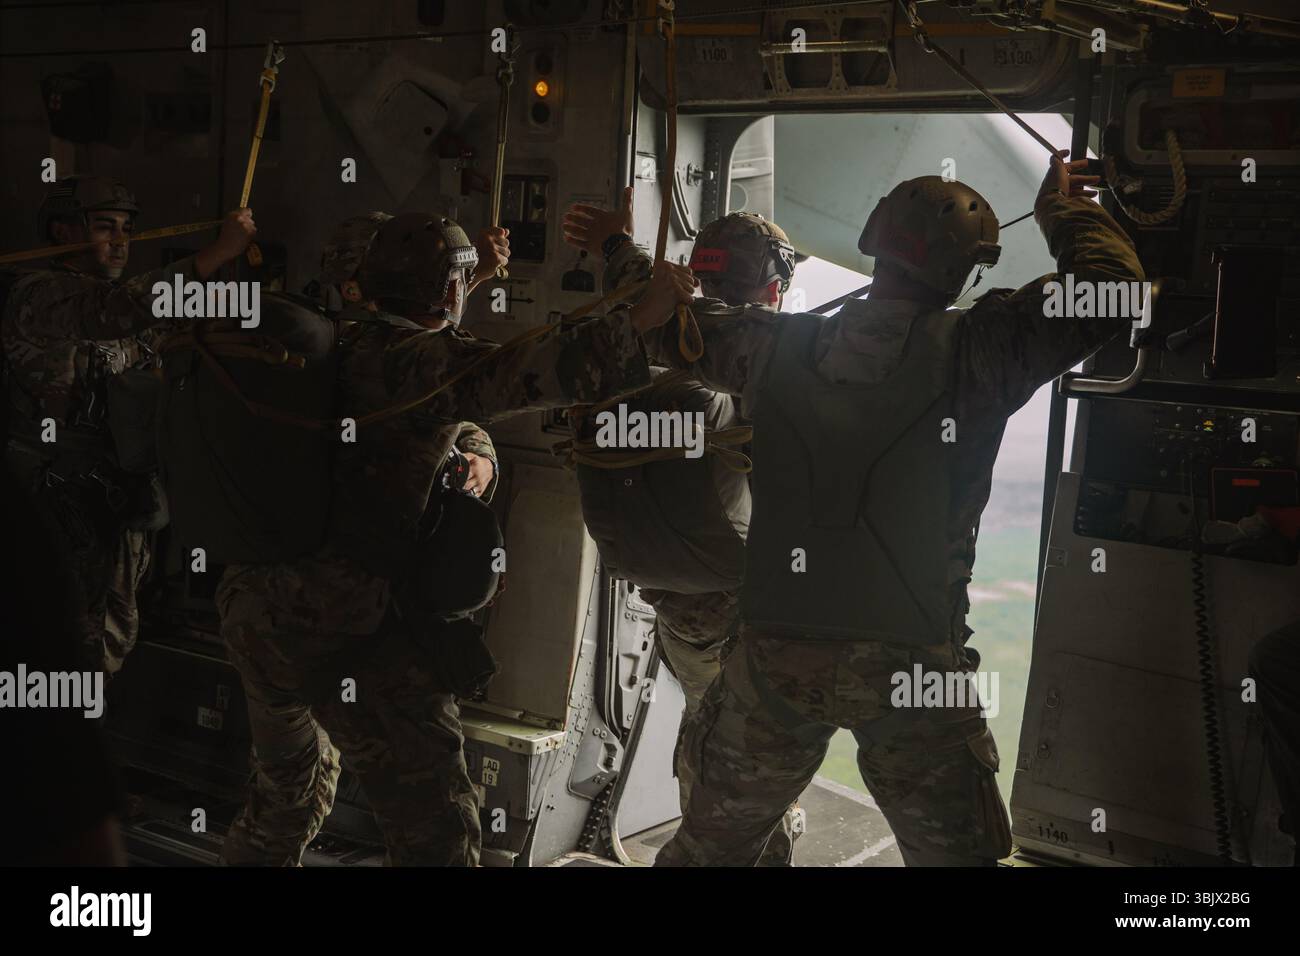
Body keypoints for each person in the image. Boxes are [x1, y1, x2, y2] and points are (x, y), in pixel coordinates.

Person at [634, 153, 1143, 865]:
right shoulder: (981, 348)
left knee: (707, 855)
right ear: (965, 272)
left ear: (874, 243)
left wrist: (637, 273)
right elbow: (1116, 292)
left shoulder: (771, 344)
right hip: (912, 663)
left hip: (774, 654)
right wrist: (1064, 209)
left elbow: (666, 327)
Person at [216, 212, 692, 865]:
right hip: (353, 634)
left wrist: (470, 287)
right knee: (435, 836)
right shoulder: (421, 362)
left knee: (285, 801)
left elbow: (441, 388)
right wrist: (644, 307)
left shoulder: (328, 341)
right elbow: (548, 362)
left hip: (256, 617)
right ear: (447, 294)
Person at [563, 192, 805, 862]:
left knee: (709, 735)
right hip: (748, 608)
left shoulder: (641, 330)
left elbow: (647, 285)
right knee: (752, 765)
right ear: (772, 287)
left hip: (678, 607)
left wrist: (616, 244)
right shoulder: (766, 364)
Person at [1, 174, 256, 676]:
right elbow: (121, 309)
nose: (120, 241)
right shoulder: (43, 297)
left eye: (126, 228)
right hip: (54, 499)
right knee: (56, 641)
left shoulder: (121, 304)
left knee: (106, 638)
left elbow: (170, 324)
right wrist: (216, 254)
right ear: (61, 230)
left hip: (109, 503)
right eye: (103, 226)